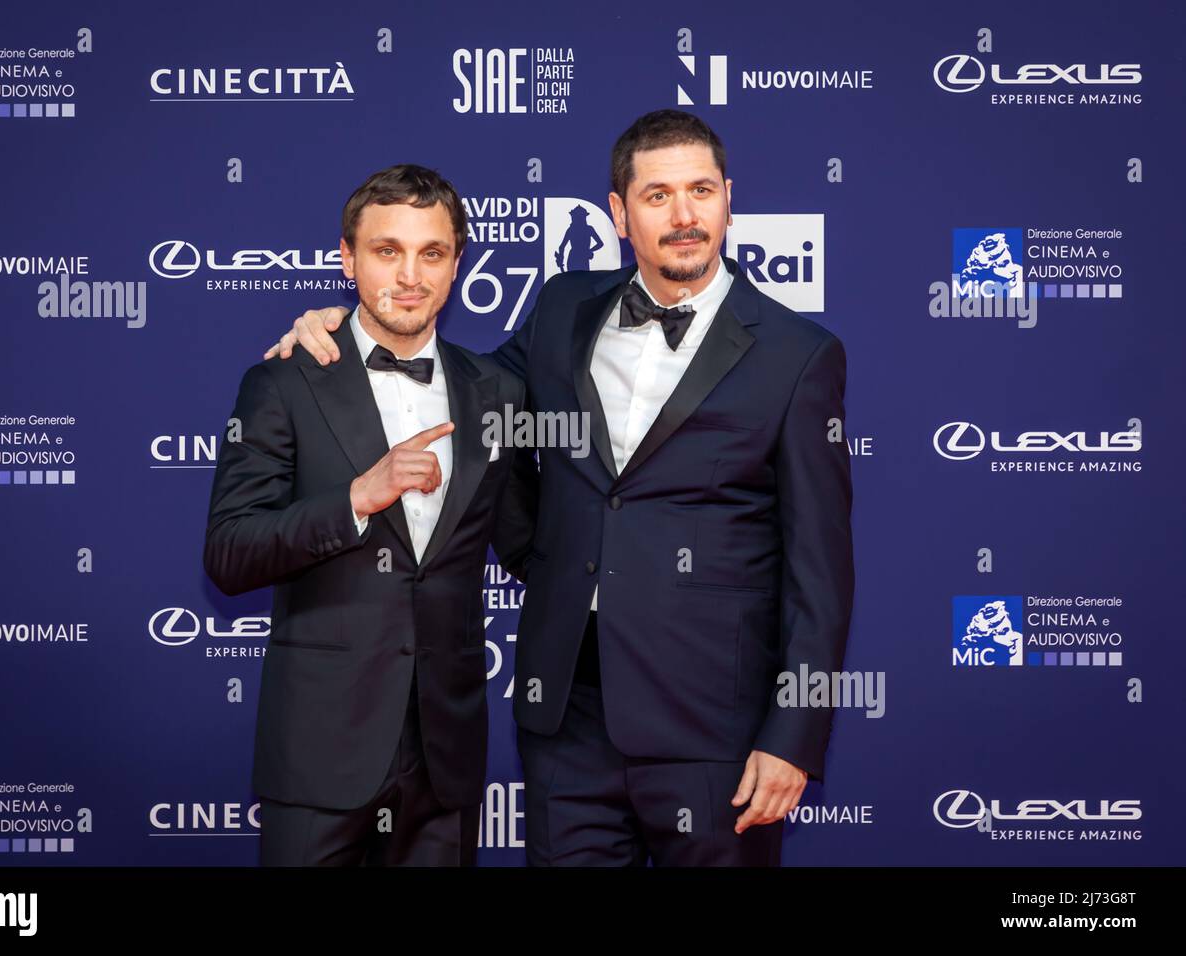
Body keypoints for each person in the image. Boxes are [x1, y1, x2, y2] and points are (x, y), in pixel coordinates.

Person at [265, 110, 855, 866]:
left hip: (716, 733)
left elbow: (821, 572)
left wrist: (793, 739)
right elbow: (464, 388)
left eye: (701, 191)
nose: (684, 216)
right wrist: (346, 331)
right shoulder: (561, 309)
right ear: (618, 213)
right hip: (565, 720)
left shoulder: (800, 355)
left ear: (728, 199)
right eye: (658, 196)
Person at [204, 164, 536, 866]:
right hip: (320, 756)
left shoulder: (500, 390)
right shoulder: (284, 381)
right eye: (387, 251)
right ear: (348, 259)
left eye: (432, 253)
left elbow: (531, 546)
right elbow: (230, 553)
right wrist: (357, 498)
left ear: (456, 266)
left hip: (445, 762)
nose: (410, 274)